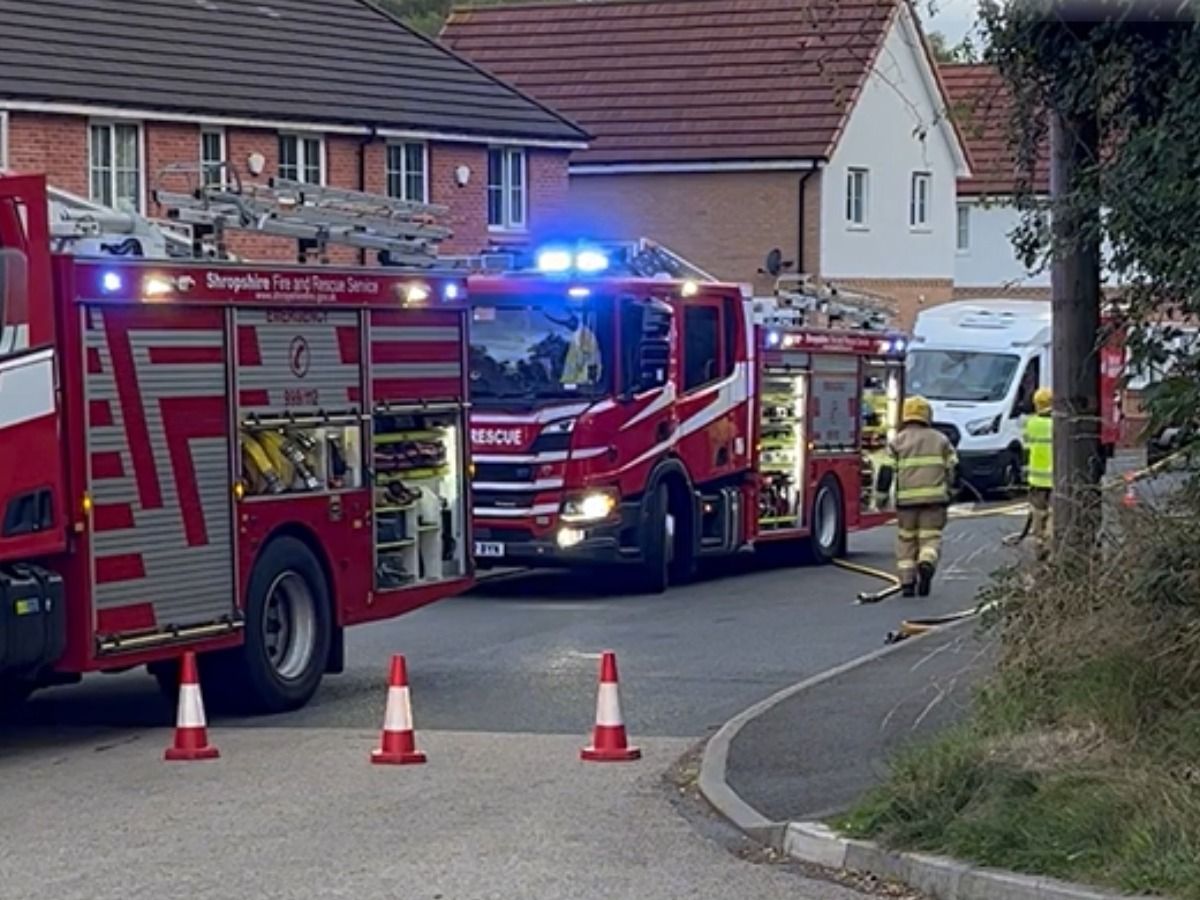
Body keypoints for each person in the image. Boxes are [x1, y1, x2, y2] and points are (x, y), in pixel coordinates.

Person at [890, 395, 957, 597]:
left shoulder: (897, 441)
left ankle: (907, 583)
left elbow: (886, 471)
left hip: (906, 504)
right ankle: (926, 562)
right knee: (930, 538)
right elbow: (953, 467)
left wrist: (881, 496)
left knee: (906, 541)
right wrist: (950, 490)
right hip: (934, 501)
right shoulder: (941, 440)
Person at [1023, 386, 1054, 558]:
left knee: (1038, 513)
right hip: (1056, 478)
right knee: (1054, 513)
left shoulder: (1031, 423)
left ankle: (1039, 544)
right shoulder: (1058, 424)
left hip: (1036, 479)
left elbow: (1027, 447)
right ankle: (1051, 544)